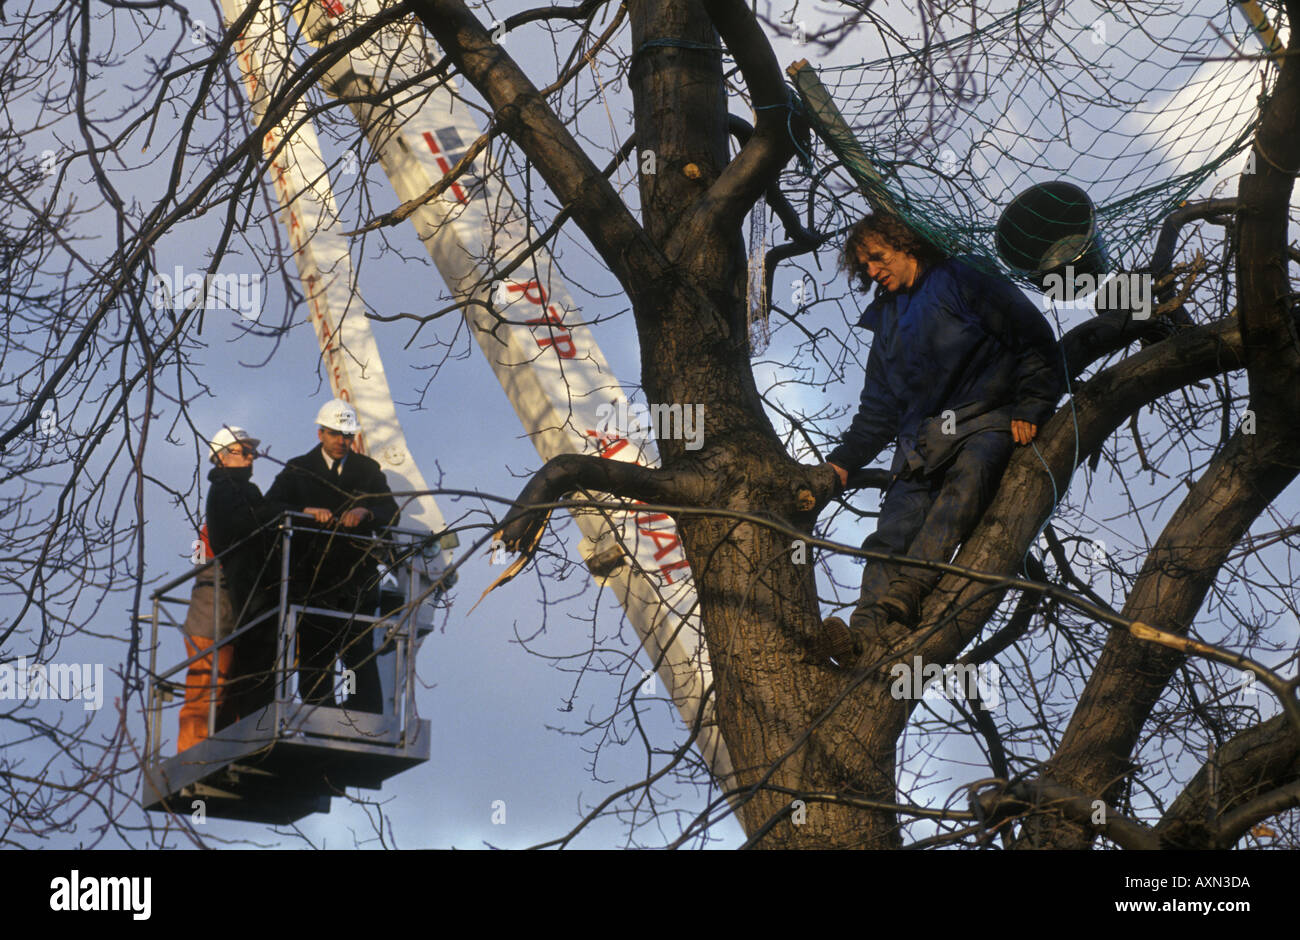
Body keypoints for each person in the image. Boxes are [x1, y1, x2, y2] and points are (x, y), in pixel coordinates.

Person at [820, 212, 1063, 661]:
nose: (872, 271)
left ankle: (912, 588)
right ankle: (860, 636)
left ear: (906, 243)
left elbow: (1032, 336)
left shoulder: (962, 276)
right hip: (919, 445)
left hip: (983, 421)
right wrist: (843, 461)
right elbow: (878, 409)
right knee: (889, 536)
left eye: (878, 257)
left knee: (965, 486)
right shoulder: (887, 320)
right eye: (864, 266)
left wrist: (1032, 405)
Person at [265, 398, 399, 714]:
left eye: (347, 435)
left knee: (358, 651)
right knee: (316, 653)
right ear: (321, 433)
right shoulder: (299, 470)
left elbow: (390, 511)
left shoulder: (367, 471)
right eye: (336, 434)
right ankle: (318, 715)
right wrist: (304, 511)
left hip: (357, 578)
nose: (342, 441)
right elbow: (269, 509)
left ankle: (362, 714)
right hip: (313, 578)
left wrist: (366, 512)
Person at [204, 425, 289, 726]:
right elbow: (244, 524)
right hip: (249, 577)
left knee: (262, 645)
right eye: (244, 451)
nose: (251, 457)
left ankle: (251, 716)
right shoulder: (227, 489)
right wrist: (284, 511)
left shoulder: (236, 488)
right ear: (222, 456)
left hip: (256, 576)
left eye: (252, 453)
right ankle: (254, 718)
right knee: (258, 643)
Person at [177, 522, 235, 752]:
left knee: (217, 697)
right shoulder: (219, 525)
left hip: (209, 621)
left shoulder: (208, 526)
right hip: (212, 624)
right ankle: (192, 758)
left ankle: (212, 753)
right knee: (203, 699)